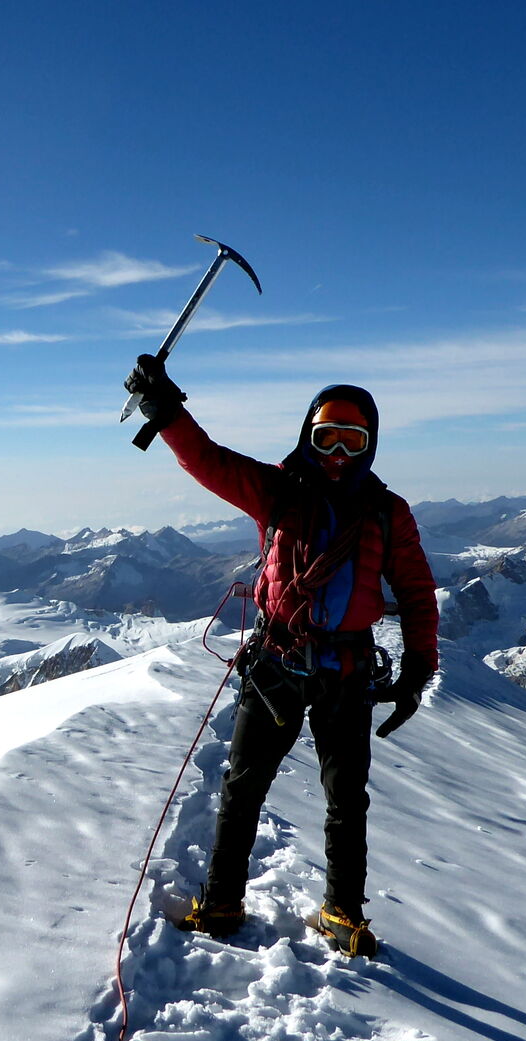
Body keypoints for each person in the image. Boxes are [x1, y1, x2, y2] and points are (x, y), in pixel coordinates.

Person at [125, 353, 439, 958]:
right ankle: (238, 902)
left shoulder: (386, 512)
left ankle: (326, 910)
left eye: (353, 439)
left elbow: (418, 591)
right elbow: (210, 462)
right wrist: (167, 413)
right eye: (328, 438)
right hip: (293, 667)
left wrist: (421, 665)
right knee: (254, 788)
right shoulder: (281, 488)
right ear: (309, 437)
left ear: (371, 443)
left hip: (324, 672)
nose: (340, 454)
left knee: (334, 798)